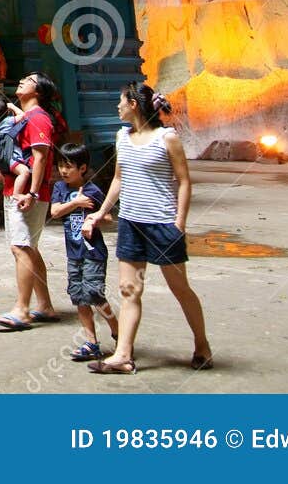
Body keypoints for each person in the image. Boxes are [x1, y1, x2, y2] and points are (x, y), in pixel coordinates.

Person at [82, 84, 213, 375]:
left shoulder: (167, 138)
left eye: (120, 101)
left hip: (162, 224)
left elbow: (184, 181)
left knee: (179, 288)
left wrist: (179, 222)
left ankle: (202, 344)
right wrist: (102, 212)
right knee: (128, 289)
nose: (117, 107)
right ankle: (123, 355)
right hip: (130, 223)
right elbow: (118, 178)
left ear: (134, 104)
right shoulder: (122, 137)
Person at [0, 72, 61, 330]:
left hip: (26, 195)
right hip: (15, 190)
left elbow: (41, 157)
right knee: (28, 248)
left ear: (39, 92)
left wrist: (33, 193)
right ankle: (44, 305)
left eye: (28, 80)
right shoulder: (20, 118)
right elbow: (12, 155)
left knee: (21, 247)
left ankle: (22, 309)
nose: (21, 81)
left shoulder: (38, 119)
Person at [50, 142, 118, 361]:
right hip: (74, 254)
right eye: (61, 165)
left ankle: (117, 329)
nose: (63, 171)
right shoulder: (60, 189)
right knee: (79, 297)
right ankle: (92, 343)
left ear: (82, 168)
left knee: (95, 295)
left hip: (93, 252)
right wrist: (76, 203)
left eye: (69, 166)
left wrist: (94, 219)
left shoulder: (93, 190)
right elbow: (55, 211)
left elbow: (108, 218)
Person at [0, 96, 33, 204]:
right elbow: (24, 116)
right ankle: (16, 194)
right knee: (24, 172)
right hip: (10, 158)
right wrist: (12, 107)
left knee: (8, 175)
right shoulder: (8, 121)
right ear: (7, 112)